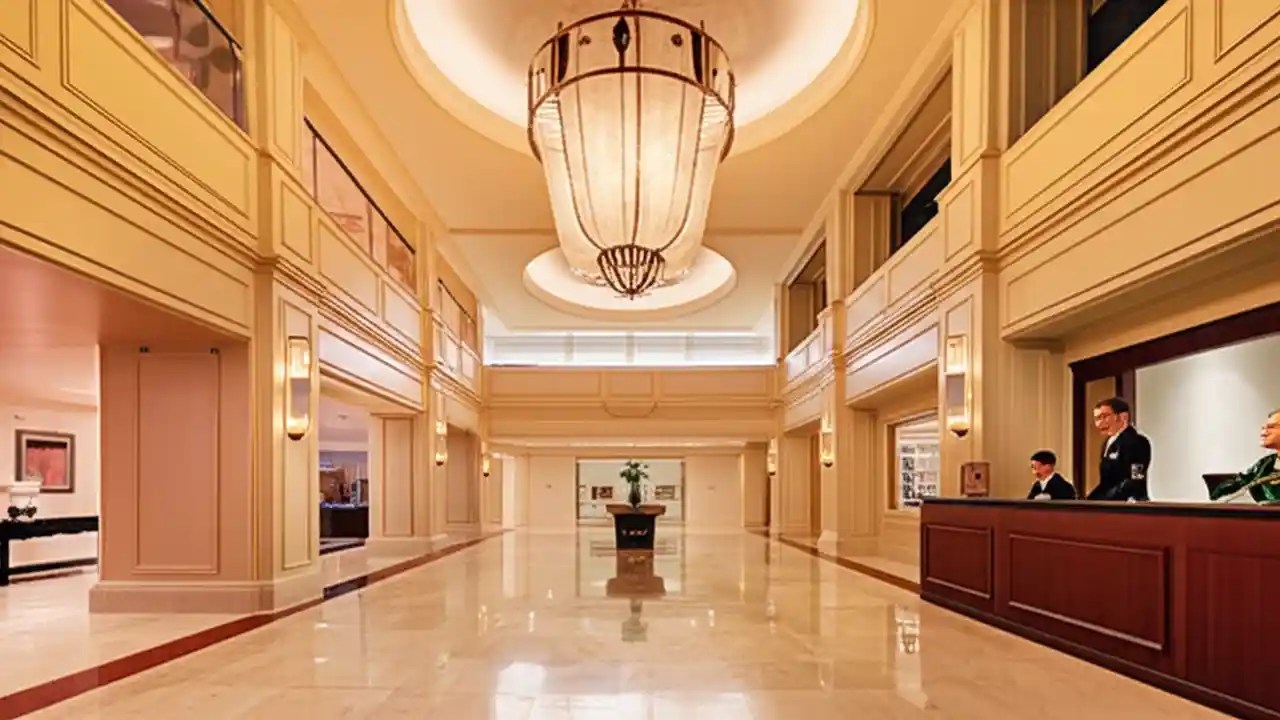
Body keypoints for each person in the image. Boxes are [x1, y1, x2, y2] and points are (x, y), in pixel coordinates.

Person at [1086, 397, 1152, 502]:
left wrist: (1105, 498)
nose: (1099, 423)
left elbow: (1135, 479)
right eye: (1097, 418)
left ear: (1123, 417)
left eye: (1104, 417)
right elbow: (1106, 483)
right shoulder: (1107, 443)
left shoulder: (1138, 442)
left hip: (1128, 505)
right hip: (1109, 504)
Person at [1209, 409, 1280, 505]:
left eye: (1272, 427)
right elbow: (1237, 483)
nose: (1264, 432)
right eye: (1263, 427)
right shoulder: (1265, 464)